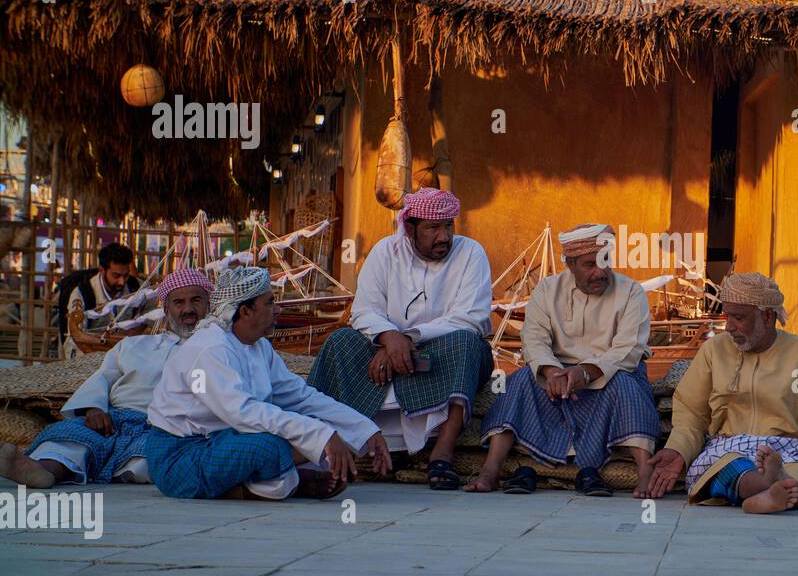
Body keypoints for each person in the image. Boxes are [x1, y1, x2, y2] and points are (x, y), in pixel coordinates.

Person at [147, 267, 391, 500]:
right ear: (245, 311)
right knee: (270, 446)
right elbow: (244, 413)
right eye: (270, 302)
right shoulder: (209, 349)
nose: (277, 310)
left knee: (323, 435)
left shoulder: (259, 345)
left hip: (224, 440)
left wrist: (364, 428)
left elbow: (300, 396)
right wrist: (321, 437)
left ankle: (270, 482)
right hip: (180, 457)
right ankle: (279, 483)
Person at [308, 187, 493, 490]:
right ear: (409, 228)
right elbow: (364, 311)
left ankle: (442, 455)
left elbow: (470, 318)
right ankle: (331, 444)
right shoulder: (385, 252)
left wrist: (405, 339)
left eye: (449, 226)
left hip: (441, 353)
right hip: (384, 349)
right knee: (340, 341)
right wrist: (387, 337)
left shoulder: (471, 253)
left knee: (468, 343)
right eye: (433, 228)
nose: (444, 237)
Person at [644, 272, 798, 514]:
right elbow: (691, 416)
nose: (729, 327)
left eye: (738, 318)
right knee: (726, 467)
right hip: (731, 446)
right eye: (727, 316)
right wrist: (677, 450)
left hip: (792, 449)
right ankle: (769, 487)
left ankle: (779, 488)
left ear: (767, 316)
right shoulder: (713, 351)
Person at [473, 223, 660, 497]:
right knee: (522, 381)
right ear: (570, 264)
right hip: (556, 381)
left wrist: (584, 374)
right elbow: (534, 339)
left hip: (609, 375)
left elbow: (629, 348)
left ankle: (645, 472)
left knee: (626, 385)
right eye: (590, 265)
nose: (600, 272)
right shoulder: (547, 290)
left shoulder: (631, 292)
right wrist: (551, 373)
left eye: (606, 261)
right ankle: (490, 470)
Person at [0, 268, 211, 488]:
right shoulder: (133, 345)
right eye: (179, 302)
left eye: (196, 300)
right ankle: (42, 471)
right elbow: (101, 378)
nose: (188, 309)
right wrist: (94, 409)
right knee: (71, 439)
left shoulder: (217, 350)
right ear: (166, 309)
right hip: (113, 419)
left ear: (208, 305)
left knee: (153, 457)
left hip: (166, 426)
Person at [56, 242, 145, 356]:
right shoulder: (83, 294)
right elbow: (78, 336)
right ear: (102, 270)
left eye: (126, 275)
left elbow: (150, 323)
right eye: (116, 276)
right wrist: (105, 344)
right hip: (86, 352)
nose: (122, 281)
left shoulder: (137, 288)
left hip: (124, 352)